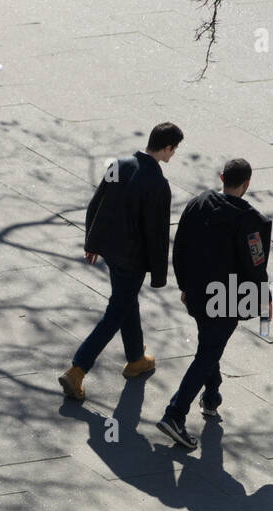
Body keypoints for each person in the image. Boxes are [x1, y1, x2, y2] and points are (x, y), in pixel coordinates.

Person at [60, 122, 183, 401]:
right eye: (173, 150)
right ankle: (77, 369)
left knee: (126, 302)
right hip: (132, 260)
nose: (173, 154)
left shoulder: (120, 164)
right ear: (166, 148)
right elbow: (157, 234)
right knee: (116, 311)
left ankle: (136, 358)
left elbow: (97, 203)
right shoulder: (158, 184)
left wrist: (91, 242)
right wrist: (159, 275)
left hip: (110, 251)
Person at [156, 158, 272, 449]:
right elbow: (256, 267)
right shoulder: (251, 221)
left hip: (196, 294)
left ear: (221, 177)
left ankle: (211, 397)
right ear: (247, 184)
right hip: (226, 299)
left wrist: (184, 285)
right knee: (208, 353)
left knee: (210, 343)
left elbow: (179, 246)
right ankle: (175, 414)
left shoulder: (197, 204)